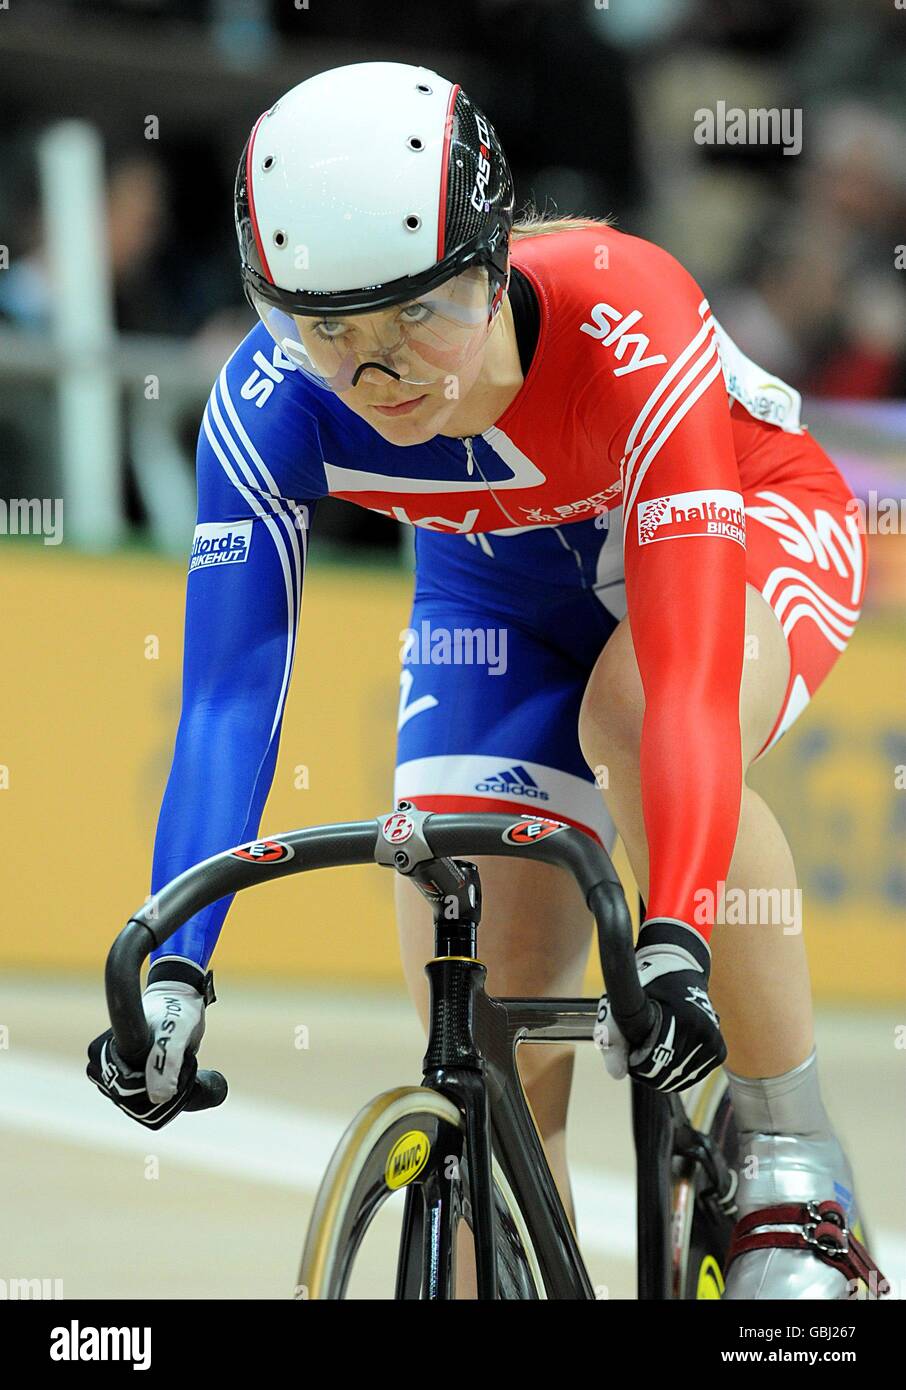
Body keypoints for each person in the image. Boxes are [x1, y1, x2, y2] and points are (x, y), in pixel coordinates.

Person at [88, 61, 879, 1299]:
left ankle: (792, 1160)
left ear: (493, 260)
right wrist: (180, 969)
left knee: (628, 708)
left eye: (418, 313)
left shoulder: (632, 316)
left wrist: (673, 937)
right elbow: (229, 696)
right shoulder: (264, 403)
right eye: (329, 330)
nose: (376, 369)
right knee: (486, 1017)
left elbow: (675, 688)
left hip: (742, 517)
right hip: (492, 598)